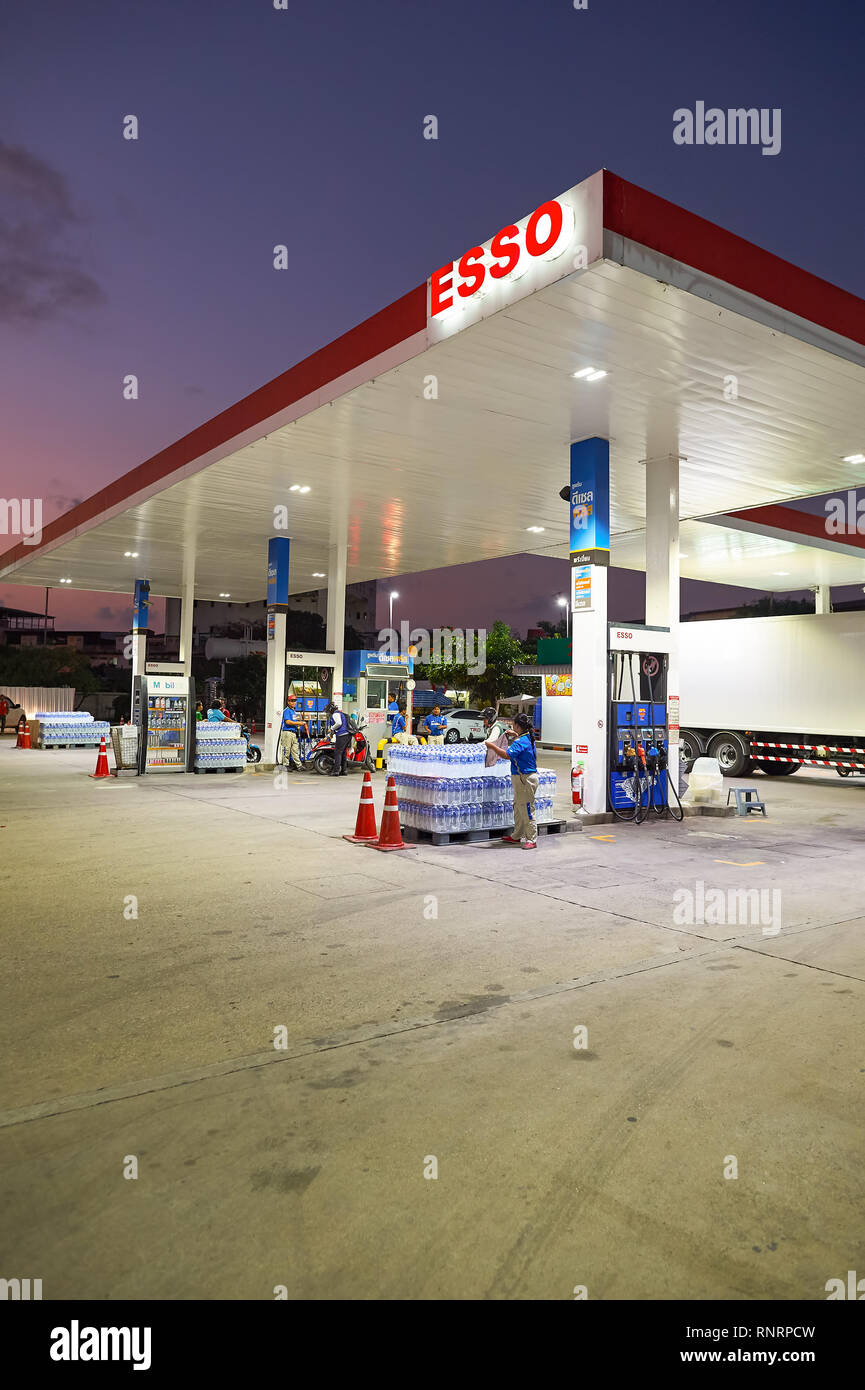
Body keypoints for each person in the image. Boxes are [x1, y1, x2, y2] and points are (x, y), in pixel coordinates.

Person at [486, 711, 539, 849]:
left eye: (514, 725)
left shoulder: (521, 742)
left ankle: (531, 839)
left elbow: (506, 755)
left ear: (517, 726)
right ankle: (517, 835)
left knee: (526, 808)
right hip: (522, 778)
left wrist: (492, 746)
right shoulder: (526, 737)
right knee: (518, 806)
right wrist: (515, 735)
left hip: (525, 779)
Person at [279, 693, 309, 770]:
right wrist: (298, 723)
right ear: (288, 702)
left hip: (293, 733)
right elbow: (288, 722)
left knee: (295, 749)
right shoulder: (287, 710)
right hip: (287, 733)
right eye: (292, 701)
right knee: (286, 749)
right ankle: (285, 765)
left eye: (295, 701)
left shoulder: (293, 711)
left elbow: (293, 722)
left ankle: (299, 765)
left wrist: (298, 725)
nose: (294, 702)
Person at [327, 700, 351, 775]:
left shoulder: (335, 714)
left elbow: (339, 723)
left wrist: (331, 728)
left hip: (342, 735)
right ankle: (344, 770)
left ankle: (336, 771)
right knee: (343, 753)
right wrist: (328, 736)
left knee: (337, 753)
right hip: (347, 735)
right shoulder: (340, 713)